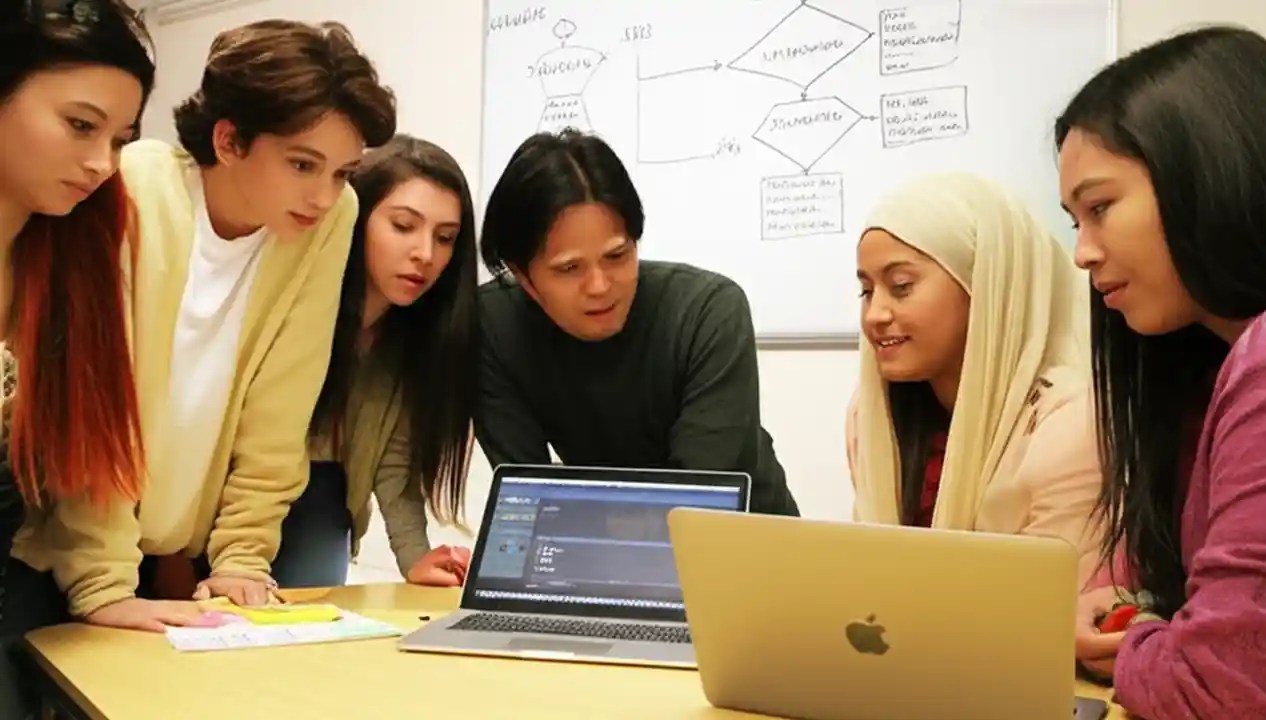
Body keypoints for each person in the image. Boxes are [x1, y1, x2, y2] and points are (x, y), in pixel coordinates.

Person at [10, 19, 396, 634]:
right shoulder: (134, 185)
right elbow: (97, 396)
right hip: (56, 545)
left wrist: (242, 555)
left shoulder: (329, 221)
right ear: (228, 140)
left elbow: (282, 404)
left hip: (169, 546)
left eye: (343, 172)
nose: (324, 195)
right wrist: (101, 581)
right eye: (303, 164)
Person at [1059, 26, 1266, 719]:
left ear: (1212, 169)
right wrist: (1134, 605)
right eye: (1073, 221)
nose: (1082, 253)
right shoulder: (1198, 370)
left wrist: (1138, 644)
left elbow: (1220, 689)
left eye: (1100, 209)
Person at [475, 129, 797, 515]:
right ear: (522, 276)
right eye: (569, 268)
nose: (599, 286)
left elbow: (698, 501)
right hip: (604, 545)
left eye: (617, 256)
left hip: (742, 535)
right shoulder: (494, 325)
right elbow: (525, 492)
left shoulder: (707, 311)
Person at [0, 1, 158, 715]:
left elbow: (87, 447)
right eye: (80, 125)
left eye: (121, 138)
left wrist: (105, 592)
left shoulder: (76, 250)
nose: (102, 162)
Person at [846, 172, 1103, 586]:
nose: (875, 314)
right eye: (866, 291)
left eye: (901, 286)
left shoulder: (1070, 423)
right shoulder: (872, 414)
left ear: (984, 286)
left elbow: (1055, 614)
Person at [273, 135, 476, 588]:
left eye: (445, 238)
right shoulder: (295, 309)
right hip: (212, 537)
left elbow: (395, 462)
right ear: (356, 218)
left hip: (318, 536)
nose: (426, 253)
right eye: (404, 226)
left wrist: (415, 558)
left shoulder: (409, 341)